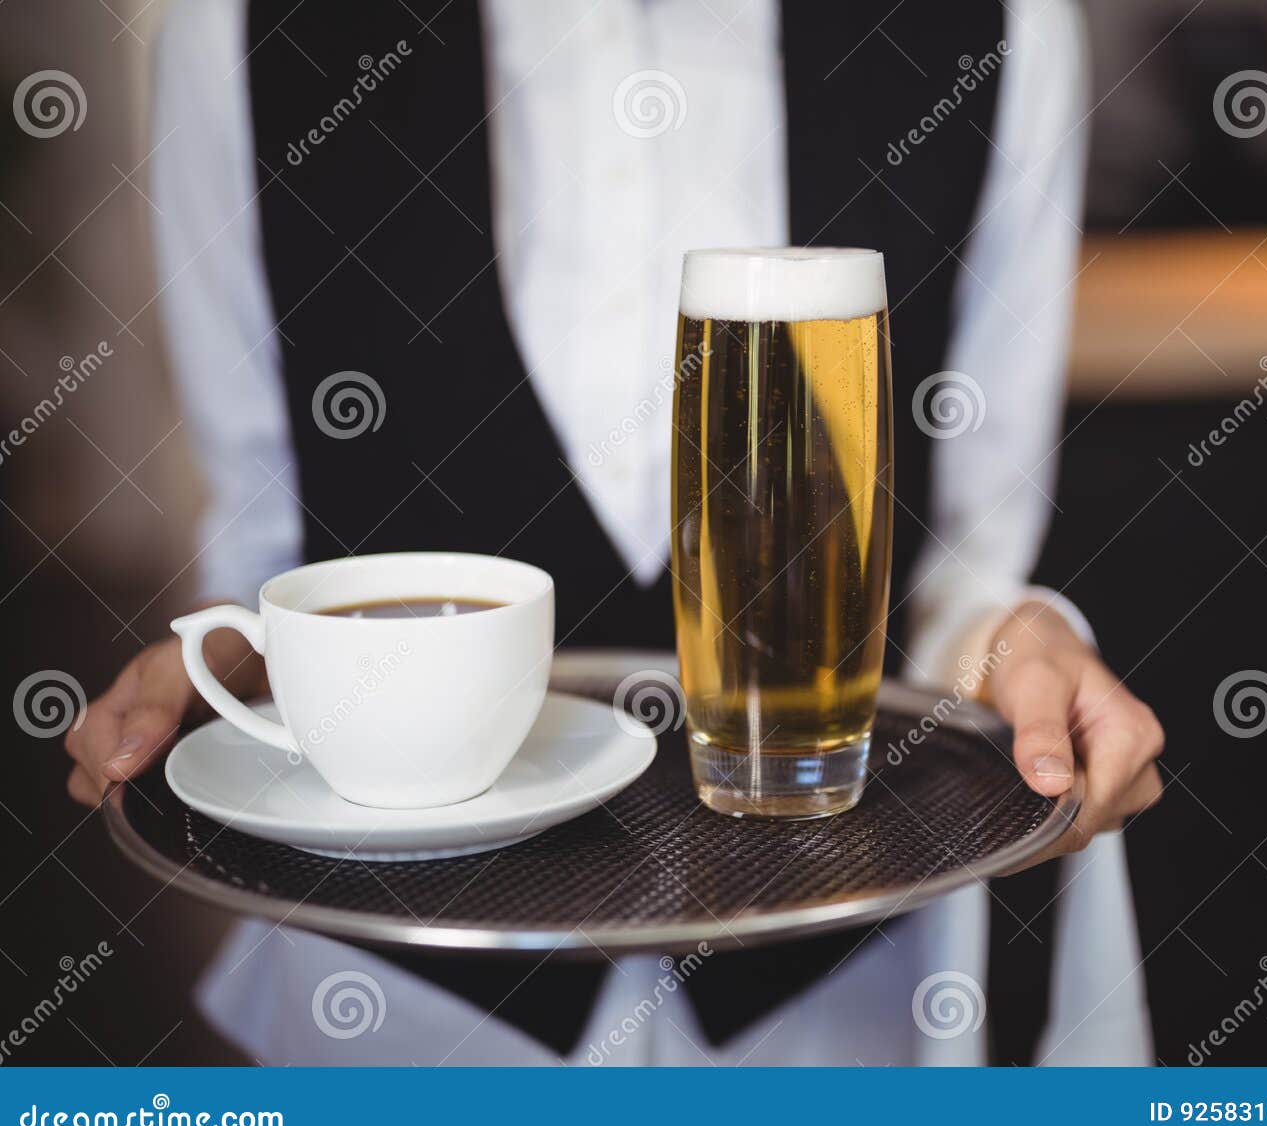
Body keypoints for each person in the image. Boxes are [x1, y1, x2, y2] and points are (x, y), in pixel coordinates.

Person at [64, 0, 1164, 1065]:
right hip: (401, 1007)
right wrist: (220, 665)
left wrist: (1015, 645)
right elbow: (268, 551)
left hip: (833, 992)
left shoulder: (998, 28)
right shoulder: (242, 34)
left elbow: (959, 569)